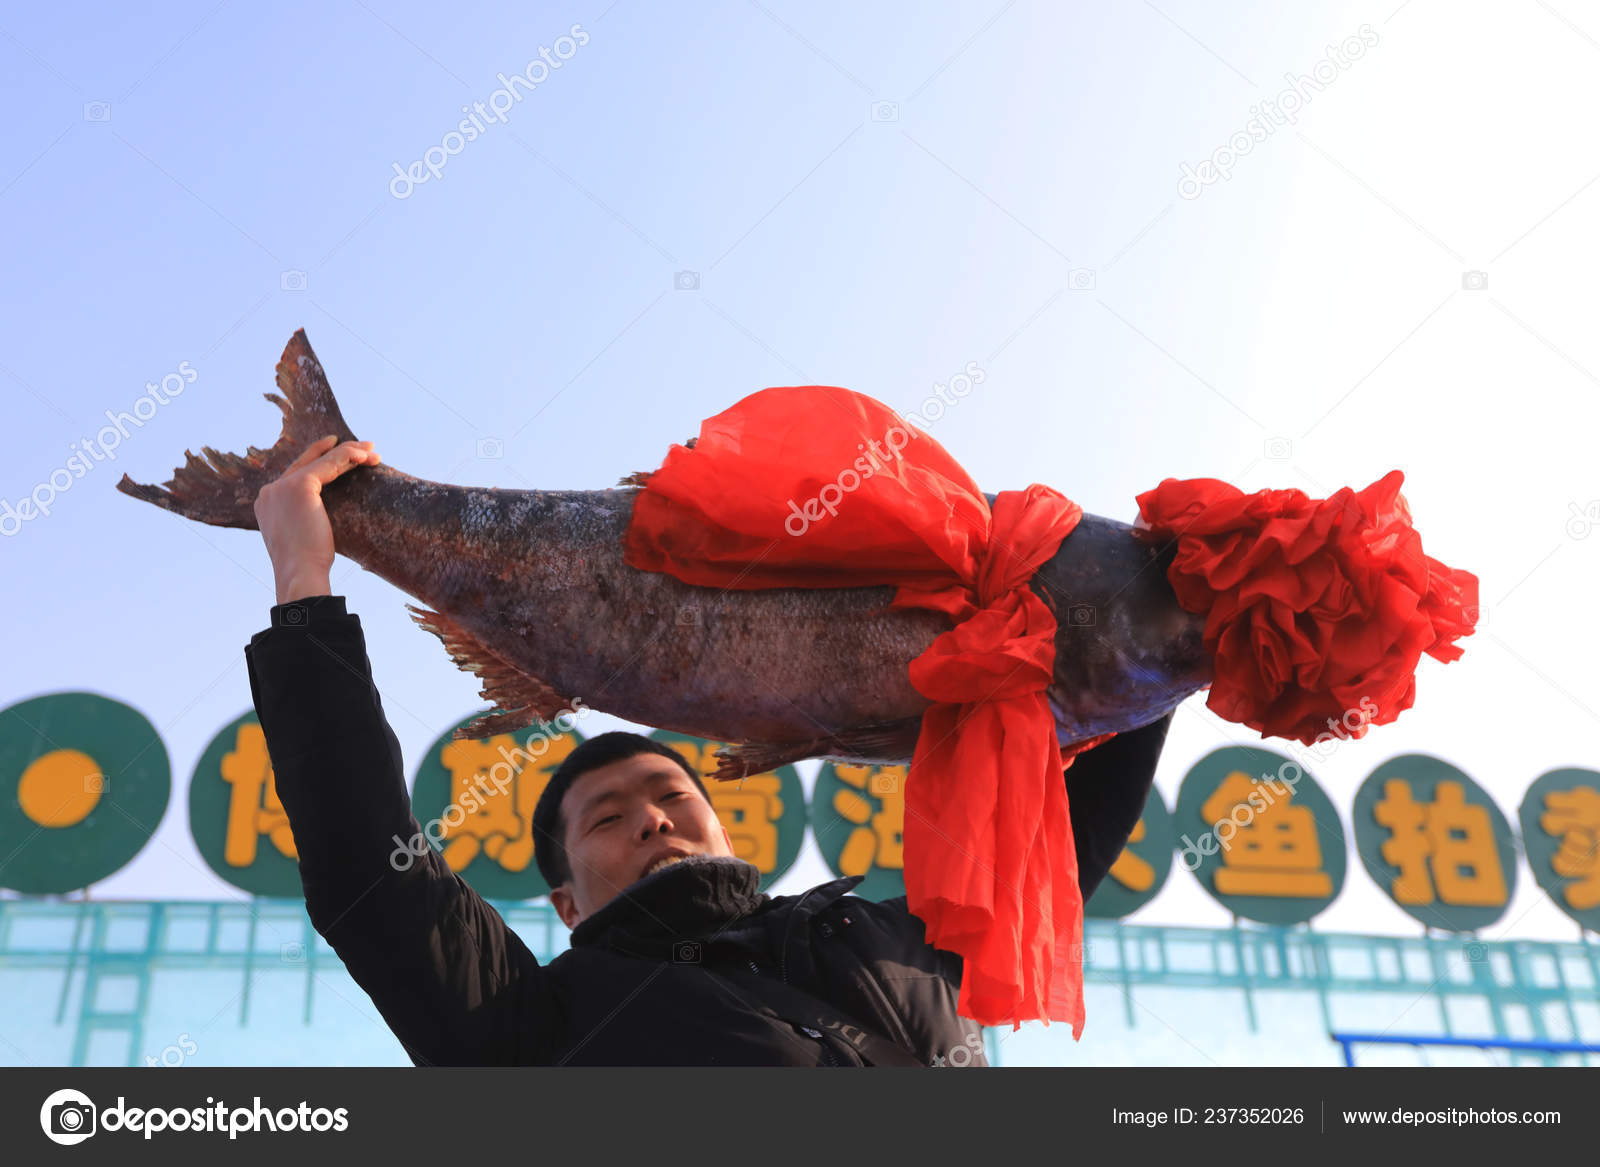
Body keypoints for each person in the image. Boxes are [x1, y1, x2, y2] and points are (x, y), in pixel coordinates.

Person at [244, 436, 1175, 1066]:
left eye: (671, 795)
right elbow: (367, 871)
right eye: (607, 820)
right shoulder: (534, 1024)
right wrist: (303, 582)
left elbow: (1064, 836)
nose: (653, 819)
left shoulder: (898, 939)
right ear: (564, 903)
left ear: (728, 829)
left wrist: (1179, 603)